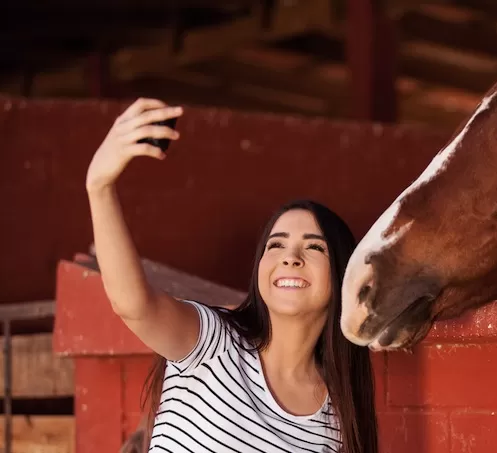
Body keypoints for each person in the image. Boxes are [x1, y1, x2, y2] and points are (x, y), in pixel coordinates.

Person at [85, 98, 378, 453]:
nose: (290, 258)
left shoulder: (336, 416)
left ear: (342, 276)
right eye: (276, 245)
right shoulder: (213, 342)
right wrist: (99, 187)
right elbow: (133, 305)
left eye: (315, 247)